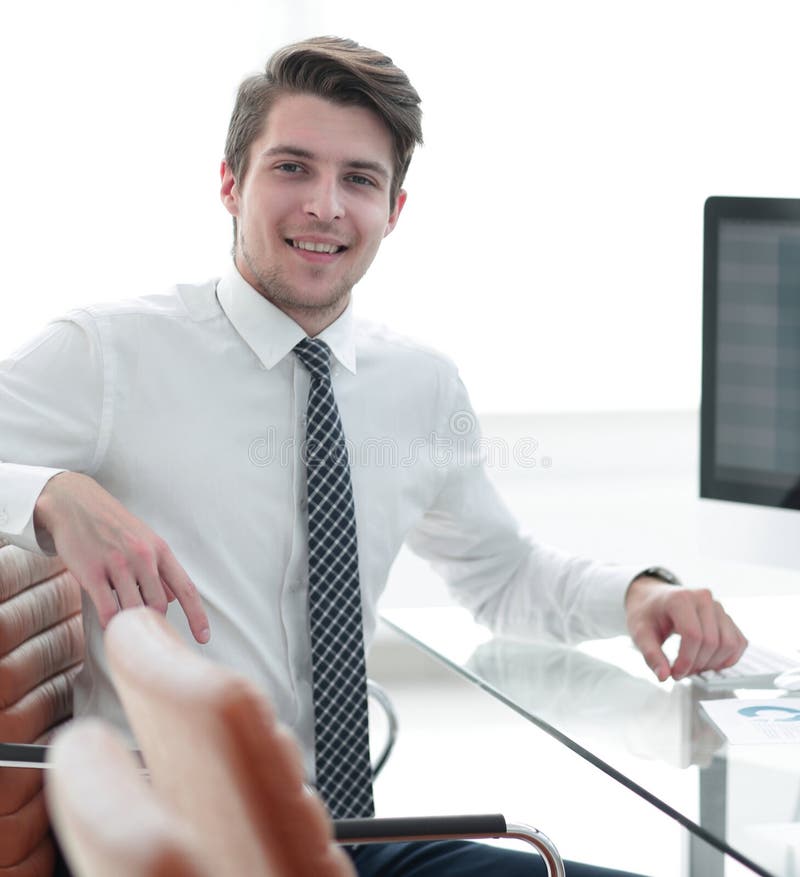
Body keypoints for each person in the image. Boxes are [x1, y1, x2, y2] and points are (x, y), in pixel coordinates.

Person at [0, 36, 745, 876]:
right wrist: (50, 494)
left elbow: (500, 575)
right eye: (292, 167)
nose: (325, 206)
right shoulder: (109, 354)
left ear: (393, 210)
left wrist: (638, 595)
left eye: (358, 179)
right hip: (185, 839)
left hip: (345, 839)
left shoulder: (418, 386)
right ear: (229, 183)